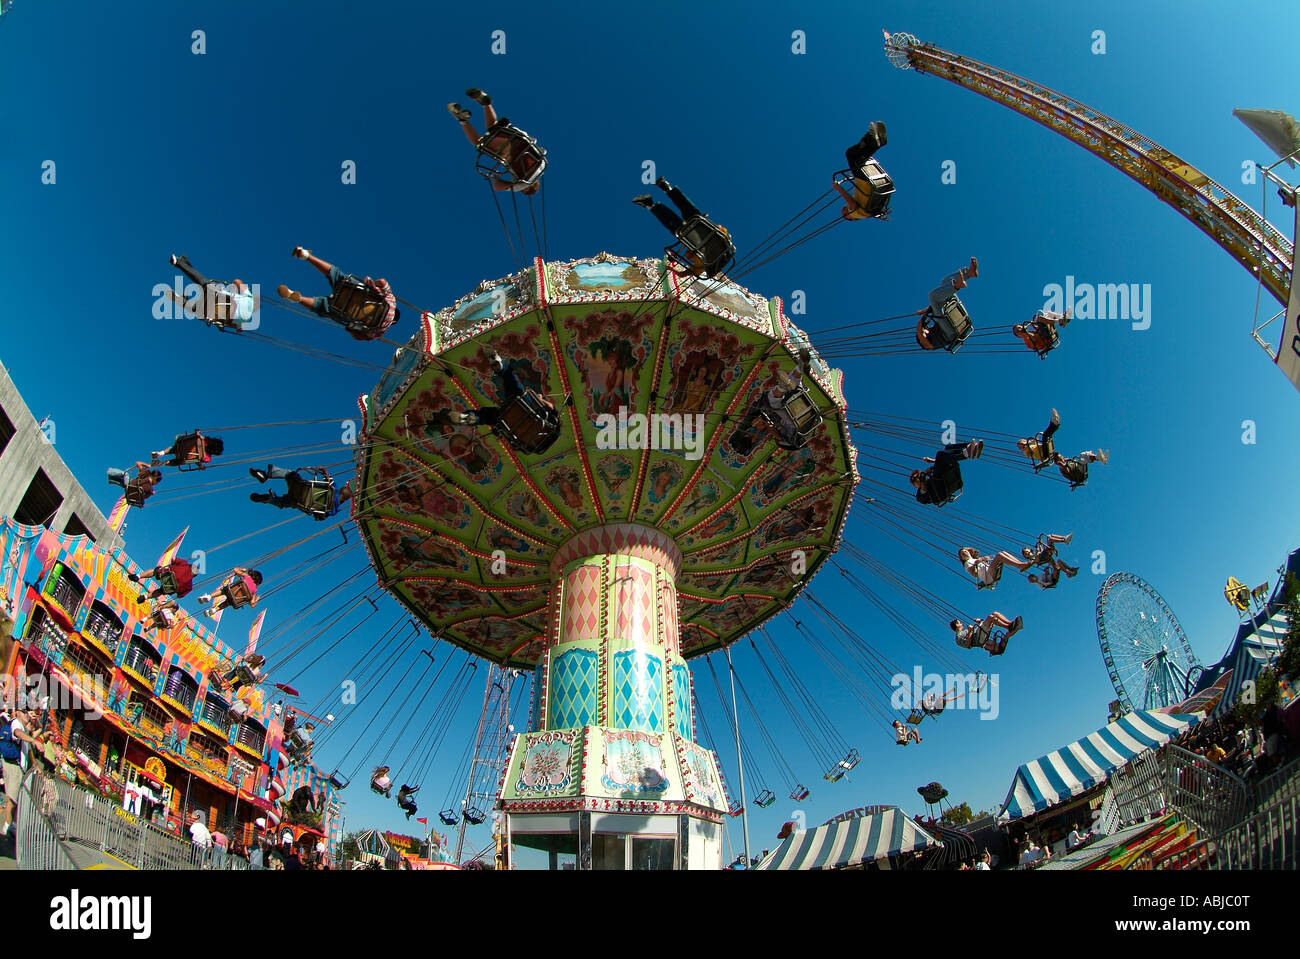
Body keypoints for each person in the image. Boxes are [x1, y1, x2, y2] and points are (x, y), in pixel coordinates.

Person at [277, 247, 399, 341]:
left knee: (335, 274)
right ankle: (295, 297)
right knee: (321, 307)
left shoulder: (391, 302)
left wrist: (373, 283)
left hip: (354, 290)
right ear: (393, 322)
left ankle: (306, 256)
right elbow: (358, 336)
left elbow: (382, 282)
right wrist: (349, 328)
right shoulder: (380, 331)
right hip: (343, 310)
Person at [447, 88, 545, 194]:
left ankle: (486, 103)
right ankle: (463, 120)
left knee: (493, 125)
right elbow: (497, 187)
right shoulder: (522, 184)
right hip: (505, 151)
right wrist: (499, 180)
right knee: (478, 142)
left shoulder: (542, 165)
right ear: (527, 189)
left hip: (515, 138)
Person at [633, 177, 733, 277]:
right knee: (683, 219)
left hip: (695, 227)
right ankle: (654, 200)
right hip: (695, 227)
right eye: (689, 257)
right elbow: (683, 274)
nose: (687, 256)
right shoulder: (701, 264)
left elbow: (721, 229)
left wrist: (671, 269)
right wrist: (671, 269)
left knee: (686, 213)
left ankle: (661, 193)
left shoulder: (706, 256)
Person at [455, 351, 556, 427]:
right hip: (510, 420)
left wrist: (540, 398)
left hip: (523, 409)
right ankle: (470, 418)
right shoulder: (542, 439)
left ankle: (502, 368)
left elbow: (550, 407)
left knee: (514, 386)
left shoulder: (552, 422)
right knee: (489, 417)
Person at [169, 254, 258, 330]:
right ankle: (181, 300)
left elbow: (237, 281)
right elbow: (235, 328)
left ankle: (179, 262)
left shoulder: (249, 298)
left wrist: (241, 287)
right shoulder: (242, 323)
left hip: (215, 295)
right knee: (198, 311)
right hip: (209, 311)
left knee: (206, 283)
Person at [915, 258, 979, 350]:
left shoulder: (934, 329)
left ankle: (969, 273)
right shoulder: (927, 344)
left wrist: (922, 312)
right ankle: (957, 286)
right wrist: (920, 325)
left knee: (945, 282)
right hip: (950, 333)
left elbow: (935, 307)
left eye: (925, 330)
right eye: (925, 332)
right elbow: (923, 340)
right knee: (933, 297)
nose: (926, 331)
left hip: (954, 319)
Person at [833, 122, 891, 220]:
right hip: (867, 184)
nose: (843, 212)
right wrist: (838, 188)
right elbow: (853, 205)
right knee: (851, 154)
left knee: (859, 158)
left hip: (876, 185)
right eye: (844, 215)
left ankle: (877, 140)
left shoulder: (867, 211)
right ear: (852, 218)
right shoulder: (856, 214)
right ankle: (873, 140)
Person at [249, 465, 353, 518]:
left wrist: (324, 470)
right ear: (344, 500)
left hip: (303, 488)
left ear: (340, 491)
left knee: (289, 474)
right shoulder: (333, 510)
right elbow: (320, 516)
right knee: (286, 503)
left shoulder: (333, 488)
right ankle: (269, 499)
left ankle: (267, 475)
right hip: (303, 503)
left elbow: (327, 476)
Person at [910, 439, 984, 505]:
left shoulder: (929, 479)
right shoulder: (919, 496)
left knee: (948, 447)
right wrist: (925, 474)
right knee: (940, 454)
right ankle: (966, 453)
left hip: (941, 480)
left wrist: (932, 461)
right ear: (915, 485)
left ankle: (970, 447)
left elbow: (941, 462)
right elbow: (924, 488)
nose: (917, 478)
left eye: (917, 476)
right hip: (940, 490)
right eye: (915, 479)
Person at [197, 568, 263, 618]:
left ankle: (209, 596)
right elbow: (252, 605)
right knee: (228, 602)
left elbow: (235, 569)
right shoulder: (255, 590)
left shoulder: (247, 576)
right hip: (236, 600)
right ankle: (214, 610)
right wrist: (257, 599)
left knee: (223, 591)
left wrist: (242, 569)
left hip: (230, 590)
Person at [957, 546, 1033, 588]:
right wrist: (977, 562)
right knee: (999, 556)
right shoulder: (967, 563)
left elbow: (982, 566)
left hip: (989, 572)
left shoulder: (974, 559)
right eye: (962, 554)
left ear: (969, 552)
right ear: (962, 558)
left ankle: (1021, 564)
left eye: (965, 551)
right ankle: (1020, 566)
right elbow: (974, 574)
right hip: (988, 577)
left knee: (1002, 553)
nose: (964, 553)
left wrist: (985, 560)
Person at [950, 613, 1024, 656]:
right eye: (959, 623)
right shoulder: (958, 638)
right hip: (979, 639)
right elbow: (968, 644)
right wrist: (970, 631)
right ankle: (1009, 626)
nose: (961, 623)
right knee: (991, 618)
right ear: (957, 625)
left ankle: (1010, 624)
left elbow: (974, 631)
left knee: (995, 614)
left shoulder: (964, 631)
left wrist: (979, 622)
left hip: (979, 634)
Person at [129, 557, 196, 603]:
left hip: (165, 575)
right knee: (161, 591)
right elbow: (179, 596)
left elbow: (173, 559)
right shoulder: (189, 586)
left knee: (155, 571)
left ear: (190, 566)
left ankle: (138, 576)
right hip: (168, 588)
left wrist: (173, 564)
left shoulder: (184, 564)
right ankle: (145, 597)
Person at [150, 431, 225, 469]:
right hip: (184, 457)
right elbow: (197, 460)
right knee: (177, 462)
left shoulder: (204, 439)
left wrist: (197, 434)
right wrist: (201, 466)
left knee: (173, 448)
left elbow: (196, 436)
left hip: (182, 445)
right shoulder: (208, 458)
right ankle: (162, 463)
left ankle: (161, 453)